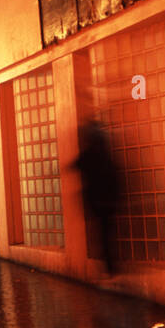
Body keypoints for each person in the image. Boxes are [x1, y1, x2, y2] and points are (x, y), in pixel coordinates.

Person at [73, 118, 121, 276]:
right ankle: (110, 267)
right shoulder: (105, 153)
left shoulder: (89, 153)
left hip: (97, 201)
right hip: (109, 200)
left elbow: (75, 165)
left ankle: (108, 268)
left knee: (102, 235)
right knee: (107, 233)